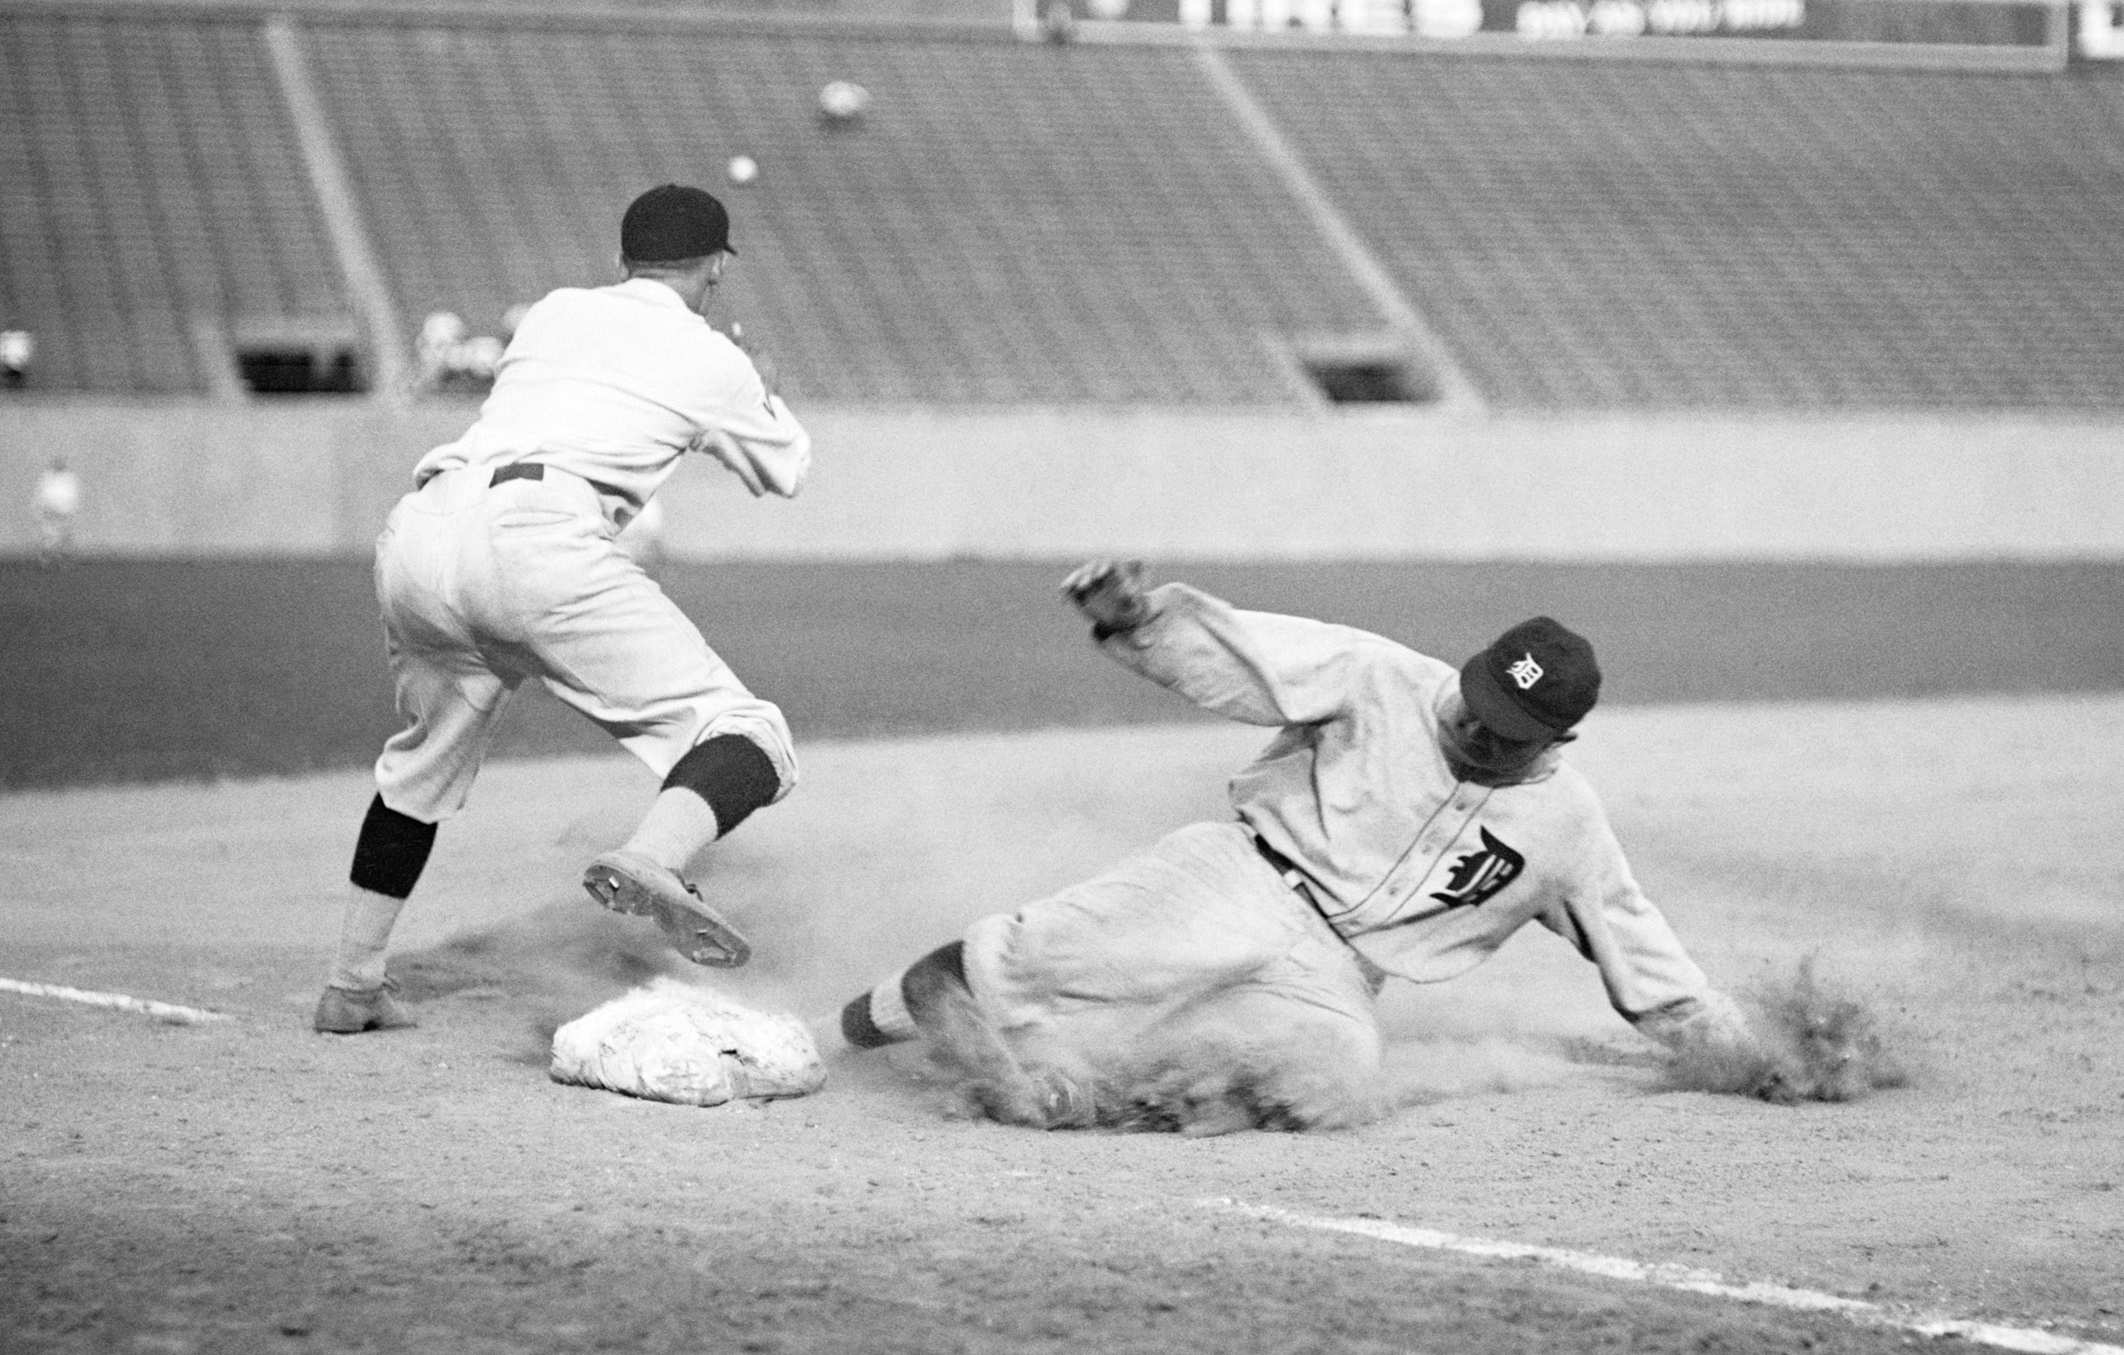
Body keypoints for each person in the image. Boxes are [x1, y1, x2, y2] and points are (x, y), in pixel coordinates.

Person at [834, 561, 1760, 1130]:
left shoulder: (1567, 830)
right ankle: (858, 1023)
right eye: (1477, 706)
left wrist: (1750, 1055)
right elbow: (1243, 656)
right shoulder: (1382, 678)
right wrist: (1138, 618)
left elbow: (1644, 957)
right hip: (1244, 879)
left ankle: (1080, 1099)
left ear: (1558, 739)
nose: (1477, 731)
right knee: (1068, 961)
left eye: (1506, 729)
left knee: (1331, 1078)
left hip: (1338, 977)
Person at [316, 184, 812, 1035]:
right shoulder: (710, 356)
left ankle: (353, 985)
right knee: (749, 735)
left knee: (420, 769)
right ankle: (655, 860)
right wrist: (761, 389)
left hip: (423, 533)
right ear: (718, 266)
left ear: (623, 260)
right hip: (538, 541)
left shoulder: (553, 313)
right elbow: (784, 471)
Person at [33, 456, 81, 567]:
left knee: (65, 536)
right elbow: (41, 494)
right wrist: (41, 509)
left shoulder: (70, 477)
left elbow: (73, 495)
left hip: (65, 511)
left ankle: (64, 559)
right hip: (50, 511)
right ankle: (48, 559)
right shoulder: (47, 477)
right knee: (49, 535)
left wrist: (71, 509)